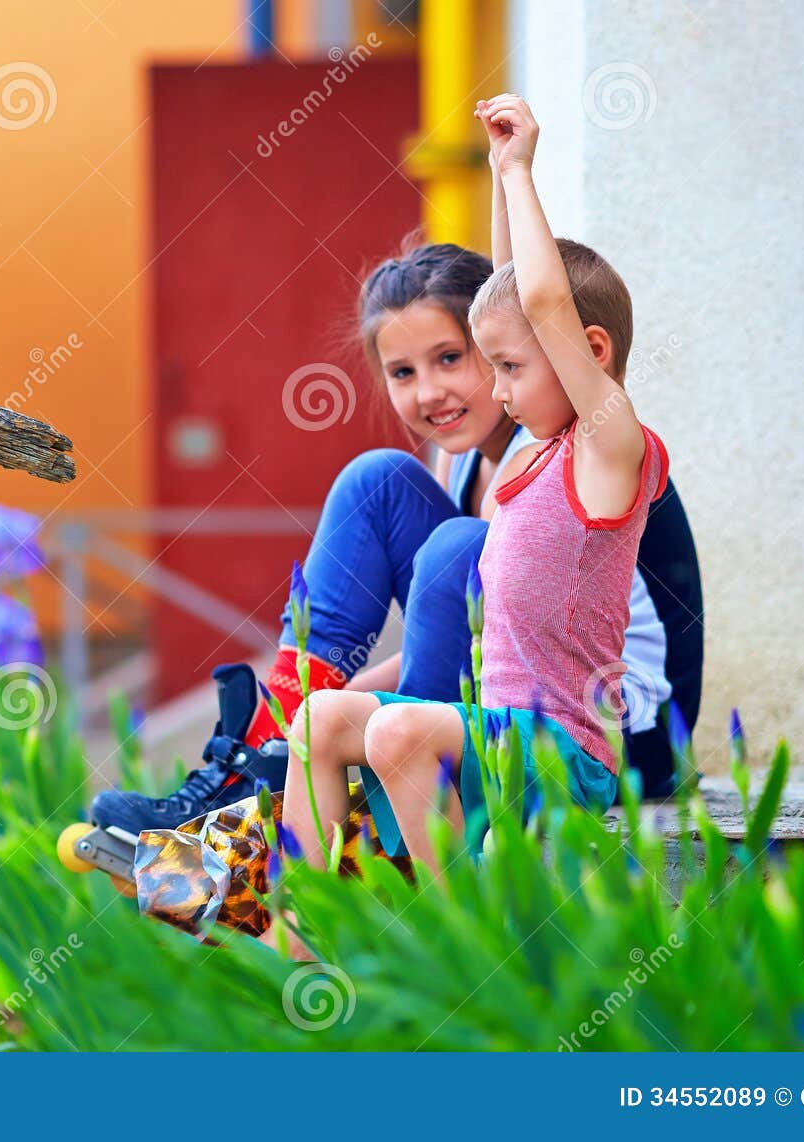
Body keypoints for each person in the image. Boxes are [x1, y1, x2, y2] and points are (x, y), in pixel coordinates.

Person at [90, 129, 701, 845]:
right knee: (382, 484)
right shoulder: (470, 462)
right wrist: (326, 718)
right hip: (498, 708)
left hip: (619, 740)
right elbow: (482, 637)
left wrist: (513, 171)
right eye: (404, 373)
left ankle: (364, 776)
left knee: (449, 542)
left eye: (456, 359)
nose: (435, 391)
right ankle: (264, 757)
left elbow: (532, 301)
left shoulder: (582, 444)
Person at [283, 92, 667, 870]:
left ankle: (452, 954)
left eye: (511, 370)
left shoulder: (605, 450)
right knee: (318, 721)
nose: (495, 390)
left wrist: (521, 166)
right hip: (492, 729)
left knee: (396, 729)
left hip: (566, 752)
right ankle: (301, 953)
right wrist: (495, 174)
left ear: (587, 354)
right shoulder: (535, 449)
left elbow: (542, 302)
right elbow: (508, 303)